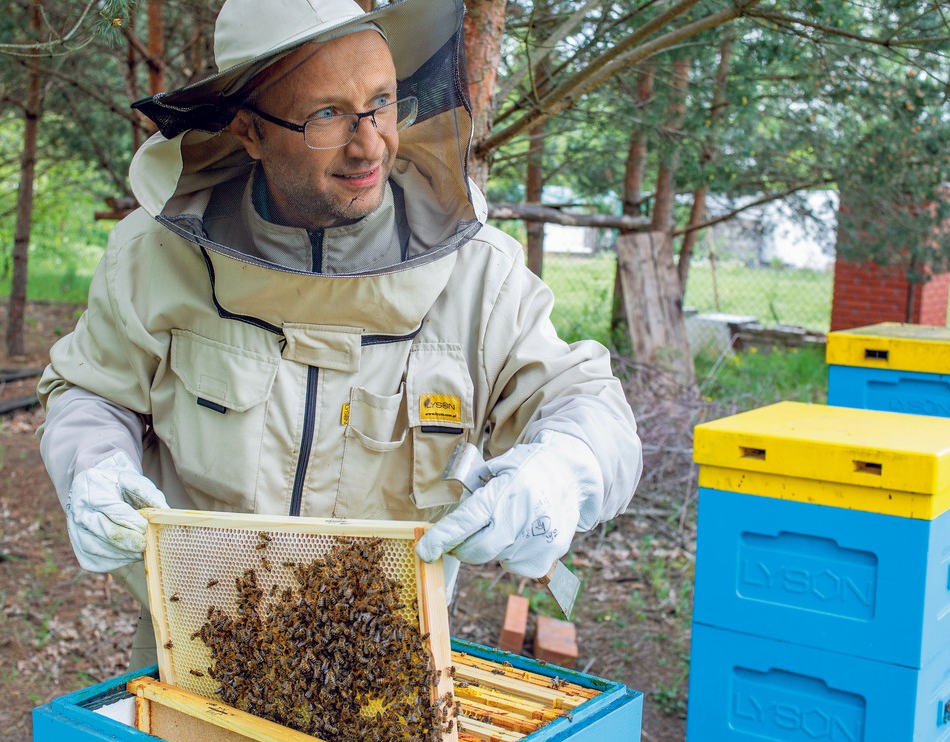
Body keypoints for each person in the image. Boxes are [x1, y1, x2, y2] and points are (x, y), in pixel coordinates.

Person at [37, 0, 642, 668]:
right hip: (193, 652)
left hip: (388, 676)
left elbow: (588, 403)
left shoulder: (480, 275)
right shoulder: (154, 256)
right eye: (327, 114)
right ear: (249, 131)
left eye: (381, 102)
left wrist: (561, 470)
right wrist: (93, 465)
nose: (370, 144)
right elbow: (92, 391)